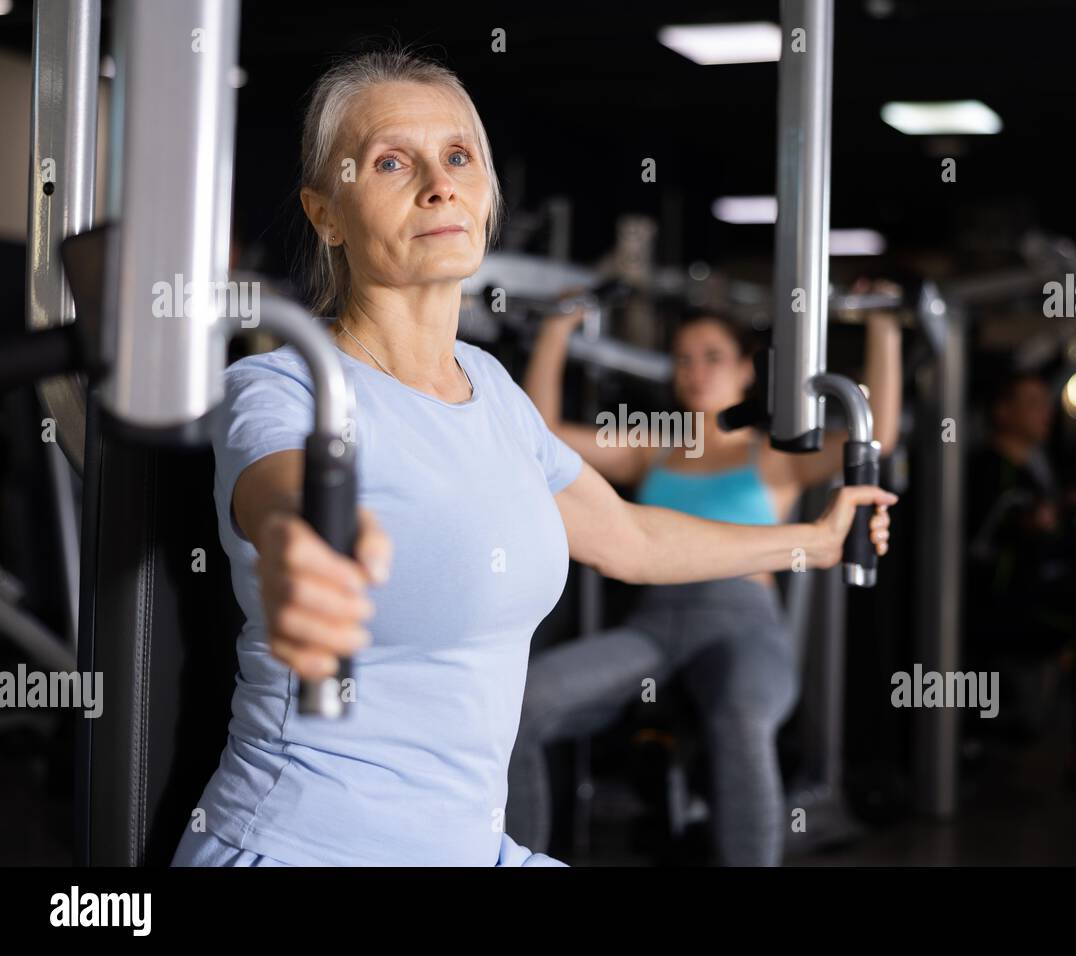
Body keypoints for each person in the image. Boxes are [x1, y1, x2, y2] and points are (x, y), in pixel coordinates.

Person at [169, 49, 896, 868]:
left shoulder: (492, 391)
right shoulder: (284, 386)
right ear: (326, 211)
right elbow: (284, 497)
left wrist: (818, 542)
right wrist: (307, 551)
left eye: (458, 157)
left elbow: (631, 539)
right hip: (305, 848)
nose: (438, 185)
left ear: (485, 197)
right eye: (390, 162)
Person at [507, 289, 902, 866]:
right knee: (522, 702)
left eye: (712, 356)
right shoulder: (654, 449)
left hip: (743, 624)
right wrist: (557, 328)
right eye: (684, 358)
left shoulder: (775, 455)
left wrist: (882, 328)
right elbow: (541, 437)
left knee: (740, 718)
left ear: (747, 369)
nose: (695, 371)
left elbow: (877, 437)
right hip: (654, 626)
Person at [964, 371, 1076, 794]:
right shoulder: (986, 469)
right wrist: (1033, 522)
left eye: (1045, 403)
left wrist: (1062, 512)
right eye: (1030, 403)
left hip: (1037, 593)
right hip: (1000, 605)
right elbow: (991, 535)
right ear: (1002, 411)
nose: (1043, 413)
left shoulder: (1040, 469)